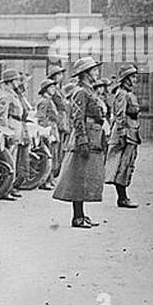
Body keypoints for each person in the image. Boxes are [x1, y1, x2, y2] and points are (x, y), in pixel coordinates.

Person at [52, 56, 108, 227]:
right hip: (85, 138)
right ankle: (77, 217)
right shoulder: (81, 91)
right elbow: (77, 117)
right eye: (94, 70)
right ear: (86, 73)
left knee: (86, 176)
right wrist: (82, 139)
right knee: (79, 177)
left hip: (93, 136)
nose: (97, 72)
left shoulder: (89, 90)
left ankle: (82, 214)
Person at [106, 63, 142, 208]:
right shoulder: (122, 94)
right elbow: (119, 115)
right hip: (125, 134)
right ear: (125, 79)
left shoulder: (128, 94)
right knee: (123, 166)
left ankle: (123, 197)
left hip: (131, 133)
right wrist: (121, 133)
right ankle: (122, 198)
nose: (135, 80)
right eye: (132, 77)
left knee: (127, 165)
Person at [0, 68, 28, 197]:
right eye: (15, 80)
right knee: (10, 160)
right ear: (10, 81)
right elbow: (2, 116)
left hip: (17, 125)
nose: (17, 82)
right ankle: (6, 189)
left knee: (14, 158)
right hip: (12, 125)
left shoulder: (13, 94)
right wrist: (6, 131)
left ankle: (10, 187)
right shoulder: (6, 95)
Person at [35, 77, 61, 190]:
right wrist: (47, 130)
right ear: (45, 89)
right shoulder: (44, 101)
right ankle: (45, 181)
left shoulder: (49, 100)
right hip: (48, 129)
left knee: (53, 155)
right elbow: (41, 117)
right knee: (49, 155)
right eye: (51, 87)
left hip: (53, 128)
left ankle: (49, 179)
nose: (53, 89)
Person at [48, 64, 71, 175]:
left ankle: (56, 171)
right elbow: (61, 104)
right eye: (58, 74)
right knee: (56, 148)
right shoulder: (54, 90)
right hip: (58, 119)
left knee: (61, 147)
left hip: (63, 119)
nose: (60, 76)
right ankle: (53, 172)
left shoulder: (60, 89)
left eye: (61, 74)